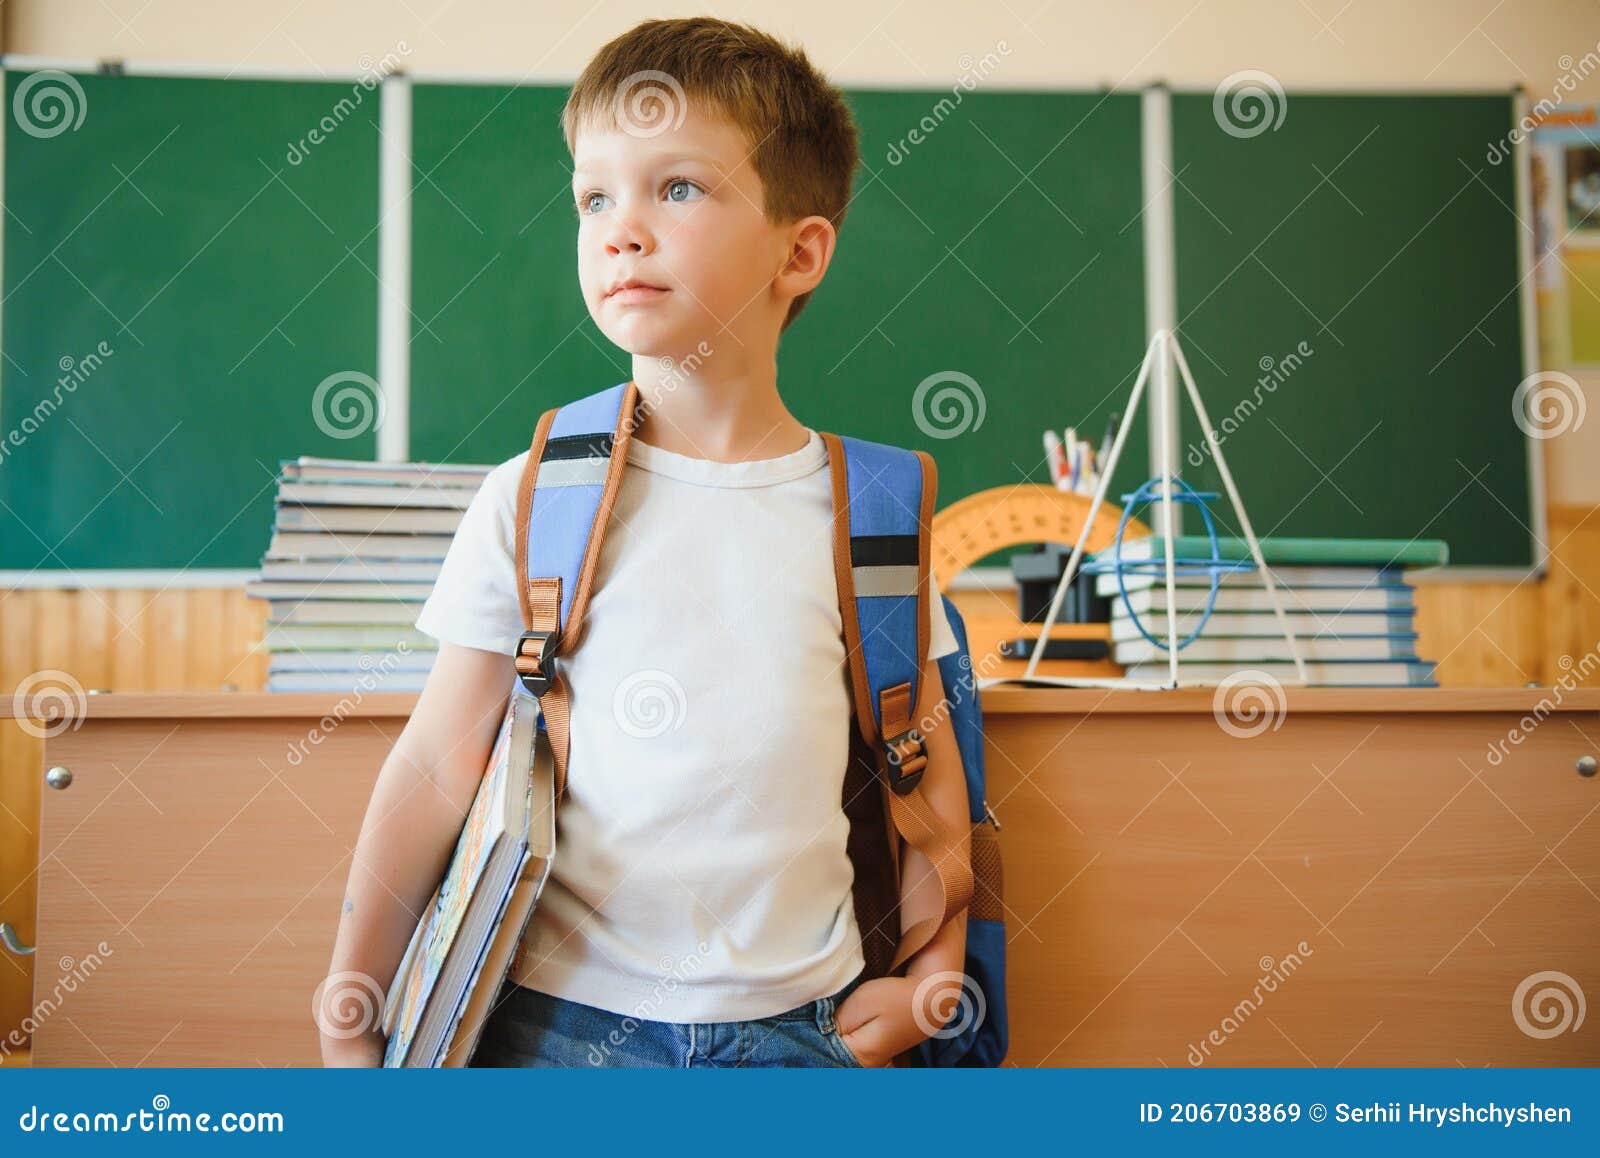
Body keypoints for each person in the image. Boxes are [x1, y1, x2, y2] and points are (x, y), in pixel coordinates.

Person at [319, 15, 971, 1068]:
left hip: (803, 1038)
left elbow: (925, 763)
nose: (620, 227)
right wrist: (352, 992)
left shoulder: (873, 515)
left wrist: (930, 984)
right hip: (550, 1029)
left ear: (799, 252)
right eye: (593, 196)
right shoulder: (529, 498)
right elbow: (437, 765)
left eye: (676, 188)